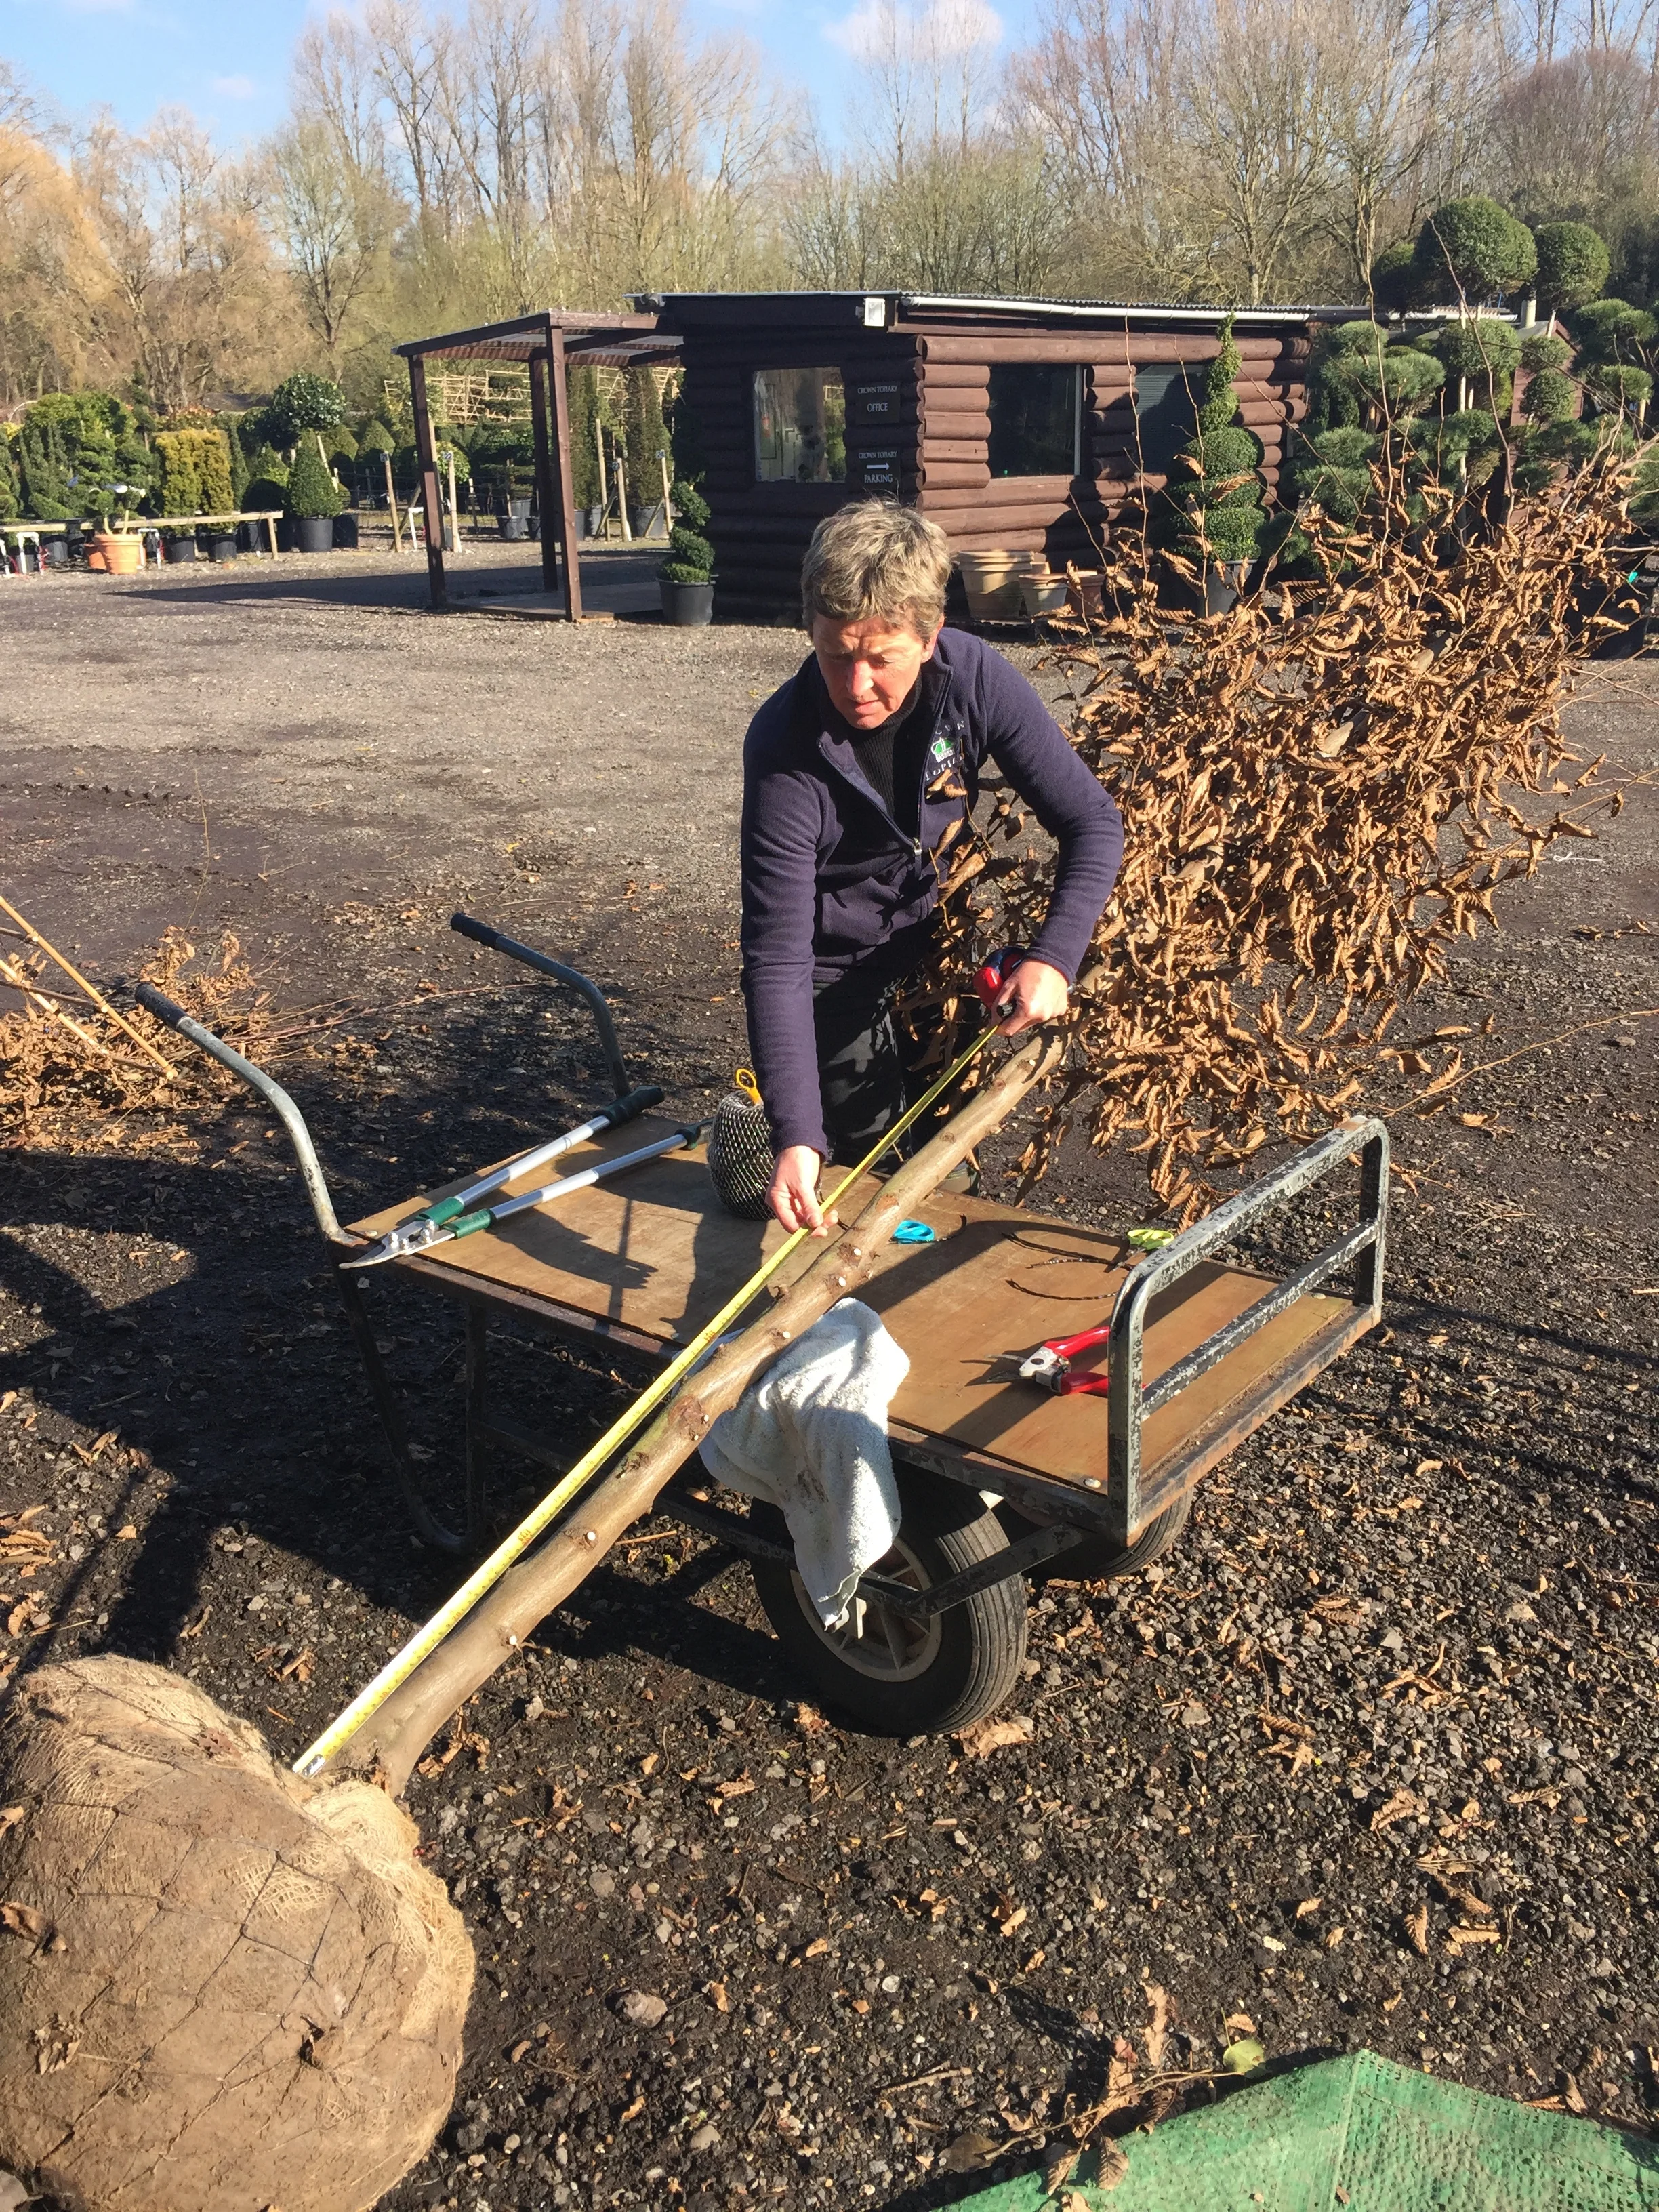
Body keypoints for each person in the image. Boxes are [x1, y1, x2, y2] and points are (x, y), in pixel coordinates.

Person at [740, 500, 1124, 1236]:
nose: (855, 687)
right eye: (834, 654)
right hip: (832, 970)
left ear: (929, 636)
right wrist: (795, 1136)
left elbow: (1091, 821)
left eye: (879, 658)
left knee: (950, 1156)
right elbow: (776, 956)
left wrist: (1055, 958)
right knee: (872, 1169)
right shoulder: (784, 747)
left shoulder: (975, 678)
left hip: (935, 945)